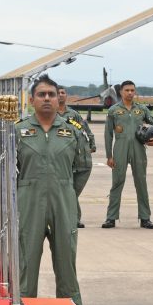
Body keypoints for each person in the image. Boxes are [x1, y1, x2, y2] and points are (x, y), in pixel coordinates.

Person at [15, 76, 84, 305]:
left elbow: (83, 167)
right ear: (31, 100)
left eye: (51, 94)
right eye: (41, 94)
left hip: (63, 202)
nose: (47, 98)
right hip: (28, 202)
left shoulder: (72, 131)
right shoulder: (18, 130)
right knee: (26, 261)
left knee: (66, 261)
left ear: (58, 99)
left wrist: (68, 190)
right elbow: (5, 171)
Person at [102, 80, 153, 229]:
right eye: (127, 90)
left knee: (141, 183)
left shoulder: (142, 109)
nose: (130, 93)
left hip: (138, 148)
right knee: (117, 182)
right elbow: (108, 134)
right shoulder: (113, 110)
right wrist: (109, 155)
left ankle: (145, 218)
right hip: (120, 148)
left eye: (132, 90)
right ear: (121, 92)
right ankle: (111, 218)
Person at [58, 86, 95, 228]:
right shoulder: (50, 114)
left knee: (72, 191)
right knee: (68, 191)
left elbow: (86, 130)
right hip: (61, 159)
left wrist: (90, 146)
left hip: (77, 159)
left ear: (66, 95)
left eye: (63, 93)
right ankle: (72, 218)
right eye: (58, 93)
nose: (60, 95)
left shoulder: (74, 114)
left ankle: (74, 218)